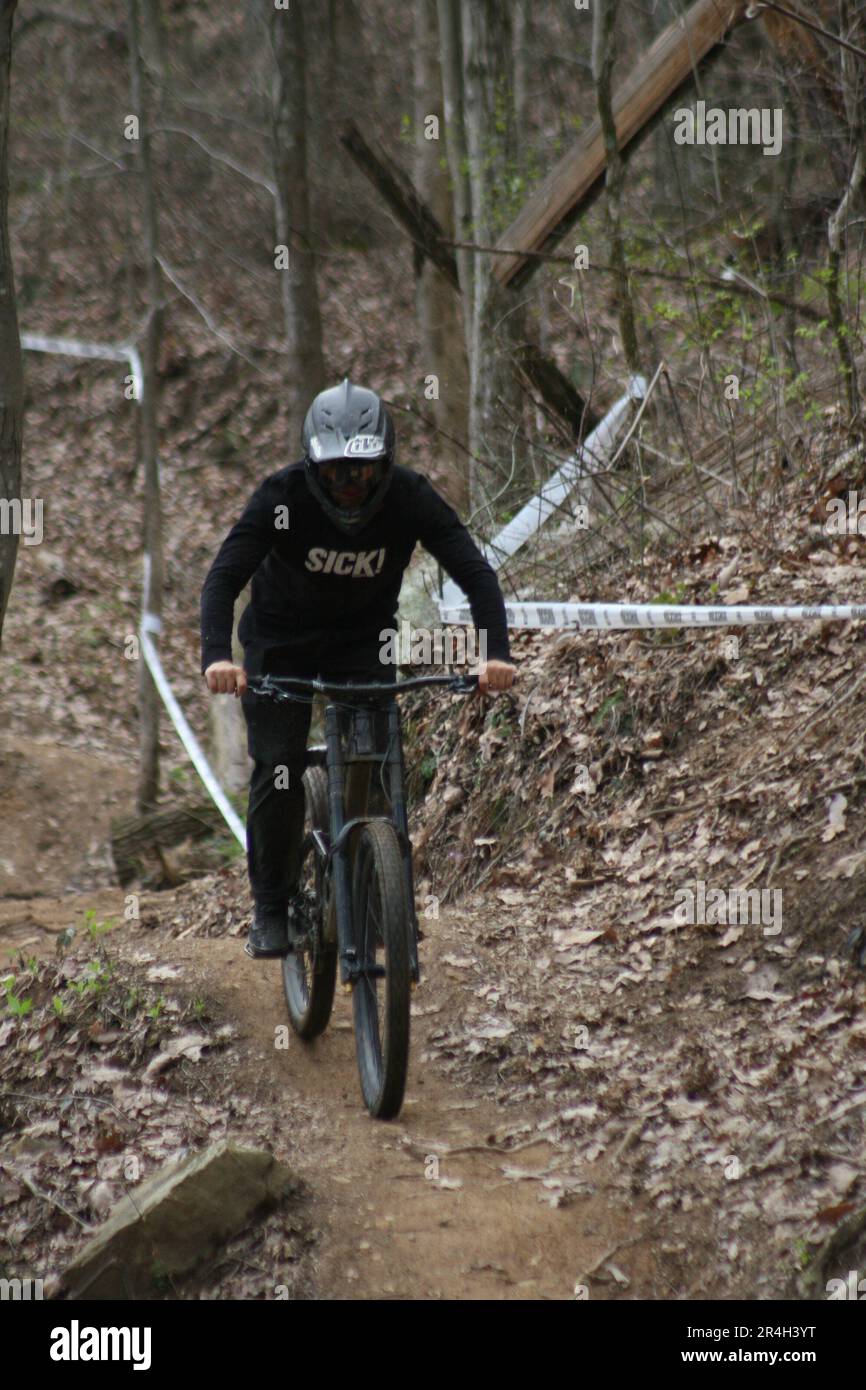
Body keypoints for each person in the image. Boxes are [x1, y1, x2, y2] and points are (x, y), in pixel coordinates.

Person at [200, 379, 516, 958]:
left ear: (386, 464)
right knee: (279, 769)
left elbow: (476, 573)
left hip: (361, 642)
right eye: (335, 472)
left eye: (362, 471)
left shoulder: (410, 499)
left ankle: (374, 881)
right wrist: (218, 656)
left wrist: (497, 653)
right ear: (312, 466)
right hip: (280, 645)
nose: (348, 486)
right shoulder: (282, 501)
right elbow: (224, 577)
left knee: (374, 752)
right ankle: (271, 906)